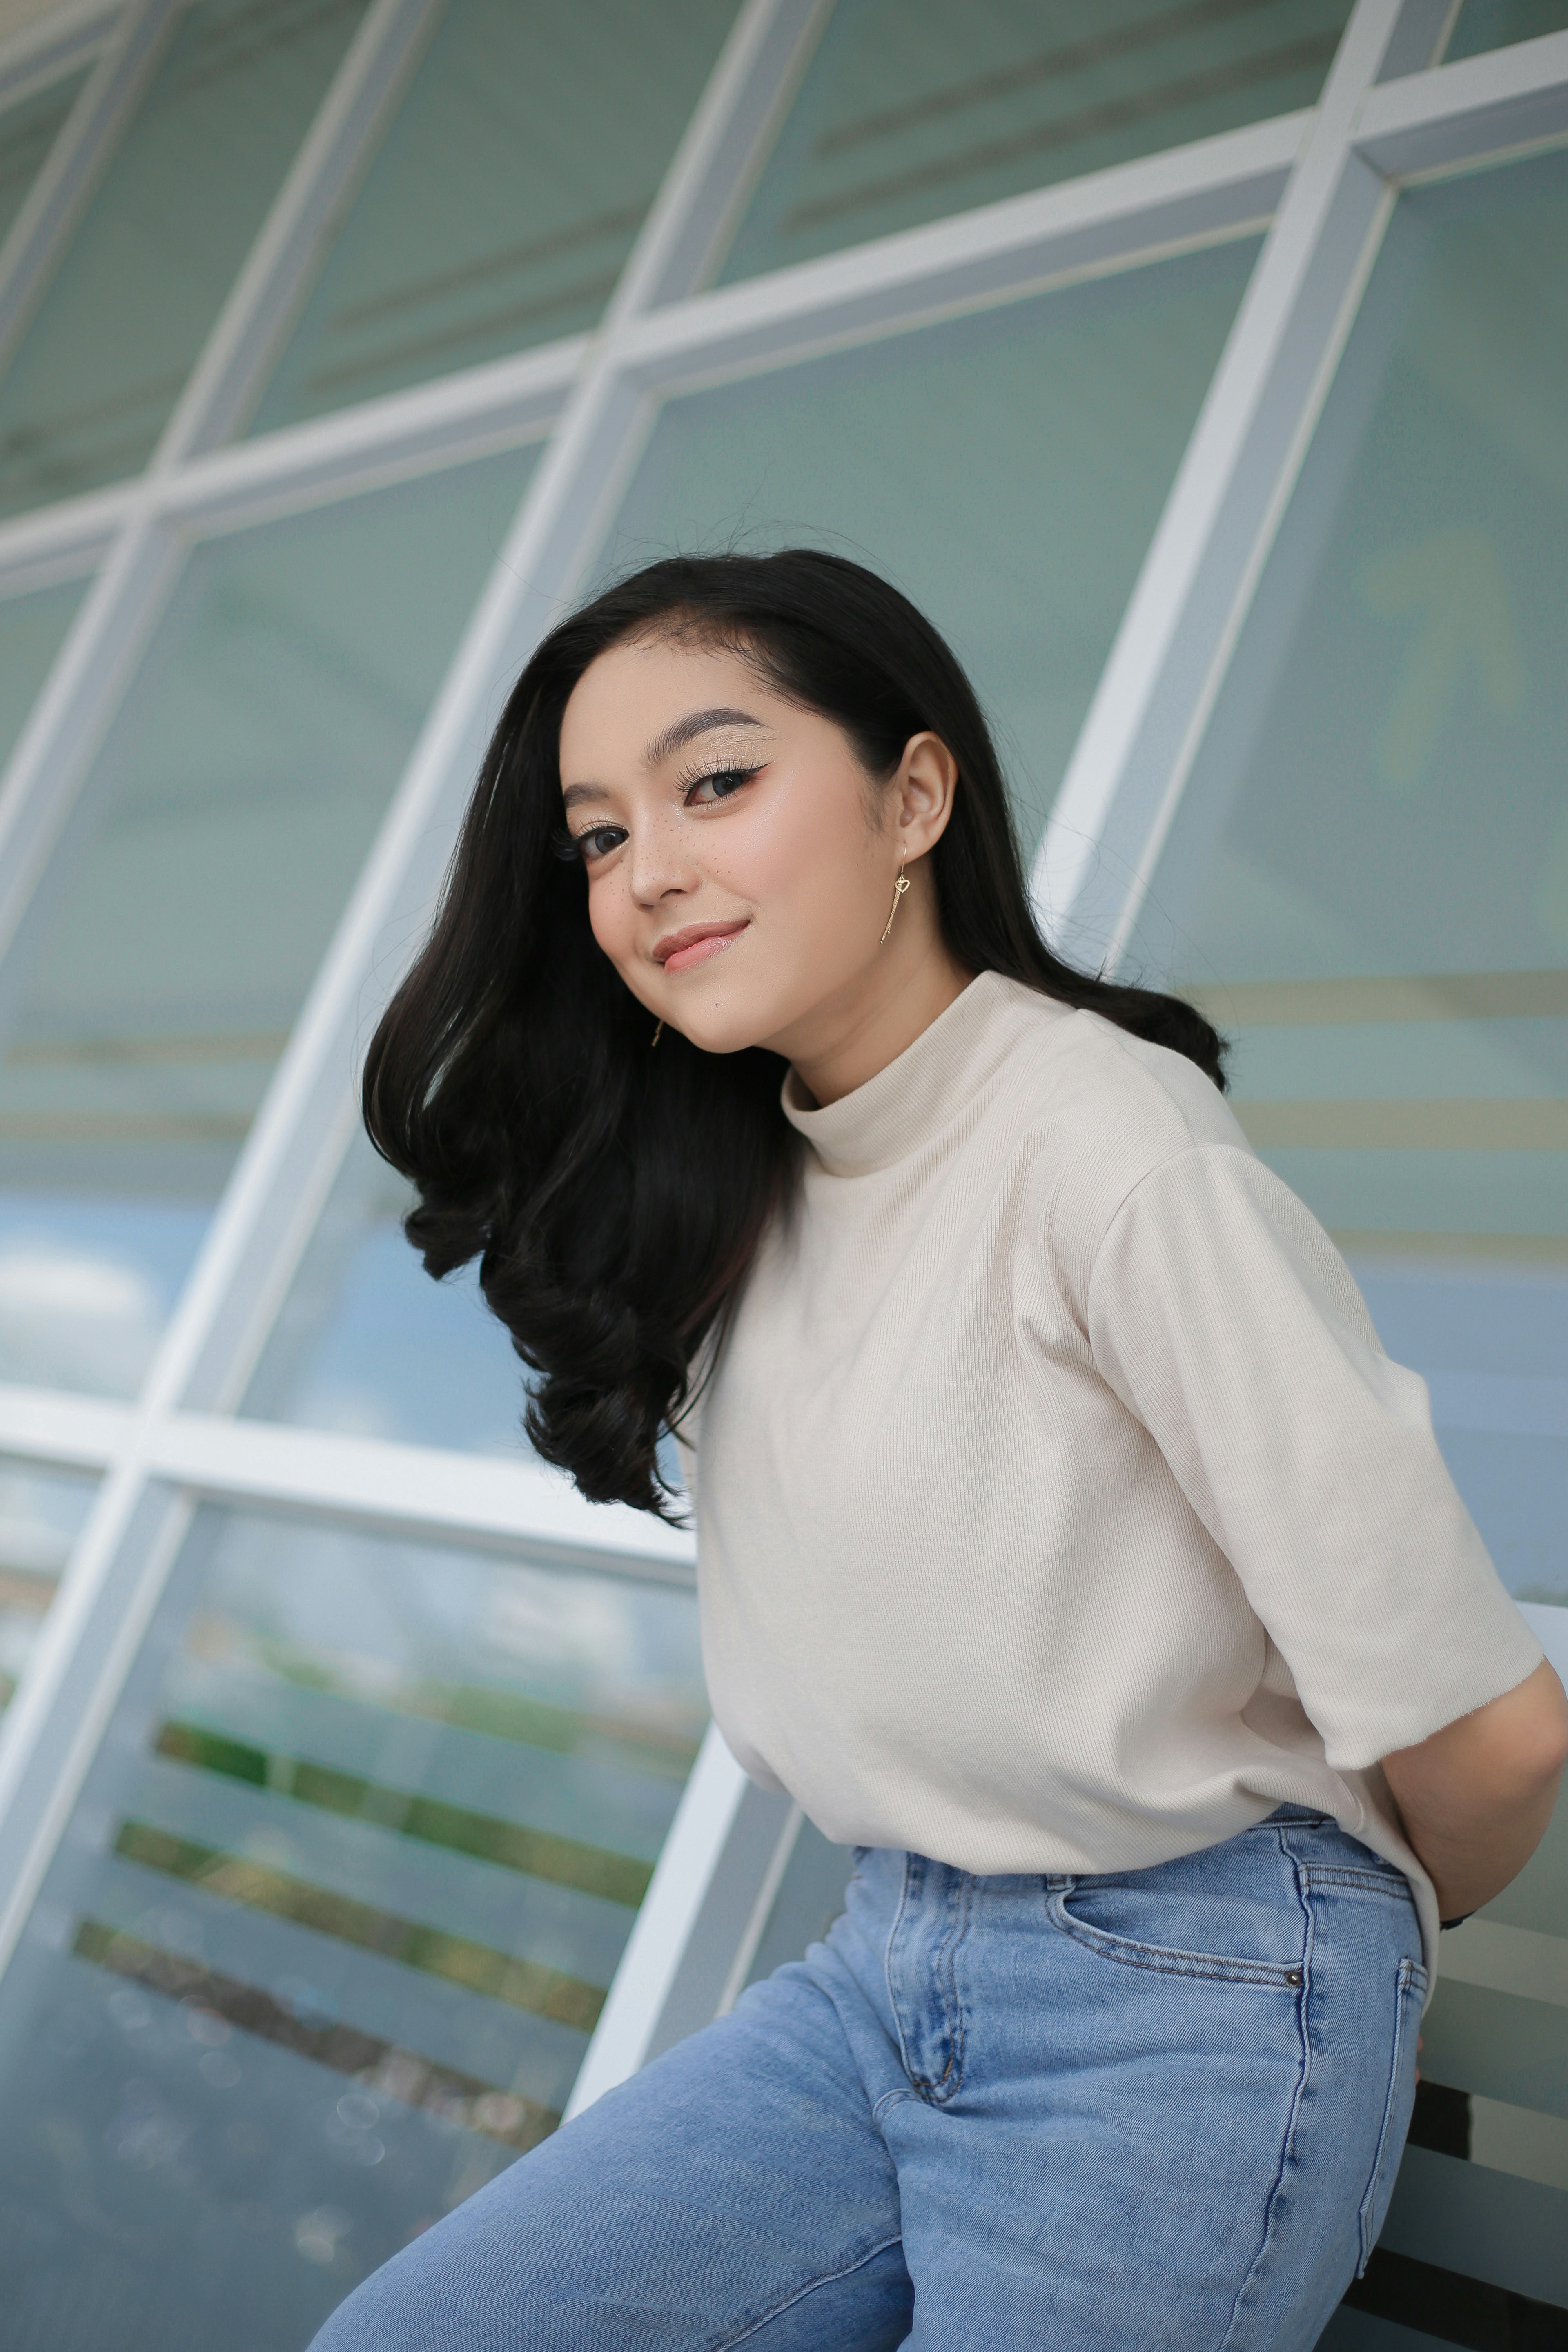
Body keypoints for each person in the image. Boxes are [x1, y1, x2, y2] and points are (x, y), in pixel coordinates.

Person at [312, 550, 1566, 2351]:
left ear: (915, 794)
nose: (646, 870)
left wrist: (1276, 1942)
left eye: (717, 782)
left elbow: (1496, 1736)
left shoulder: (1113, 1151)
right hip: (883, 1978)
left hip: (1184, 2000)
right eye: (596, 837)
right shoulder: (753, 1176)